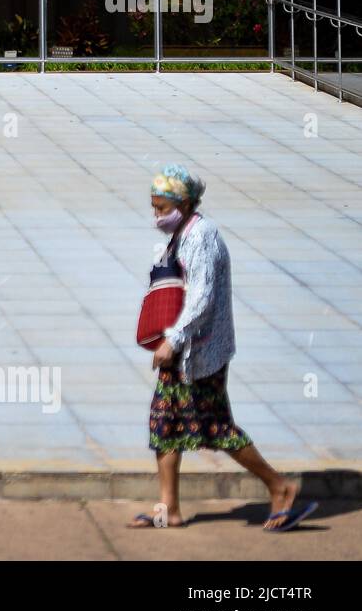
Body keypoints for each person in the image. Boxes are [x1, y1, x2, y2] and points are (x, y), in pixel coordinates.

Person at [128, 164, 317, 532]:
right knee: (164, 424)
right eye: (153, 207)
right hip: (183, 353)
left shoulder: (202, 237)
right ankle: (170, 508)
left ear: (182, 204)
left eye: (161, 208)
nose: (156, 215)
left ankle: (281, 488)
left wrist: (173, 340)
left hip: (200, 354)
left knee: (215, 428)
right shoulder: (182, 233)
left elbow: (201, 300)